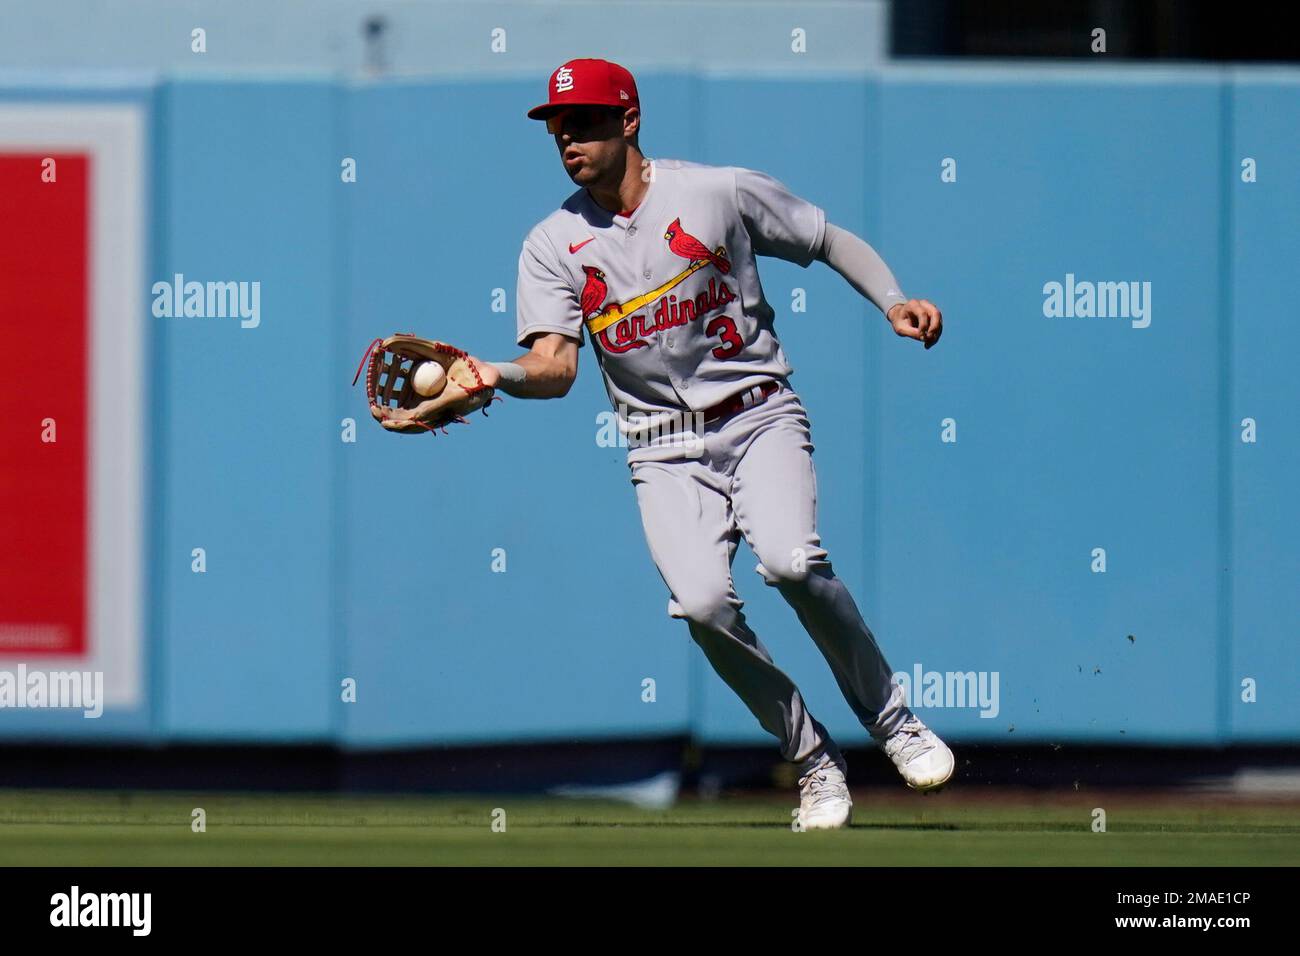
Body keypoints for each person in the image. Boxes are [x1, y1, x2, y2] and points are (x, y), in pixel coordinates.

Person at [473, 58, 953, 829]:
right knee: (700, 605)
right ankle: (814, 763)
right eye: (560, 126)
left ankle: (892, 721)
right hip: (661, 449)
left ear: (629, 121)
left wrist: (893, 301)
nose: (571, 137)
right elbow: (554, 367)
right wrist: (491, 375)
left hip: (756, 412)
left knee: (793, 562)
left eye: (588, 120)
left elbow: (826, 239)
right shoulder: (552, 243)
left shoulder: (715, 191)